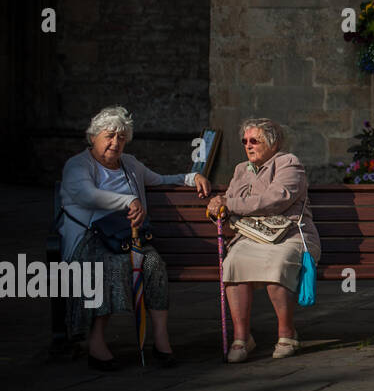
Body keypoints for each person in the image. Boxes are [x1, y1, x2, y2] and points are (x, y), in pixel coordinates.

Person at [59, 106, 212, 370]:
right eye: (109, 136)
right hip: (89, 240)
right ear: (93, 137)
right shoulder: (77, 165)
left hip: (127, 237)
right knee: (112, 265)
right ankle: (96, 342)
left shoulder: (130, 164)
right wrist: (128, 200)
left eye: (121, 137)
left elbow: (161, 179)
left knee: (153, 264)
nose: (115, 142)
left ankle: (161, 339)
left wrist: (192, 176)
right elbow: (87, 195)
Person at [205, 118, 320, 362]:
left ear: (273, 142)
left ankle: (287, 333)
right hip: (252, 235)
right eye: (245, 141)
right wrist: (219, 205)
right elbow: (232, 198)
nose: (248, 145)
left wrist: (231, 203)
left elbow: (275, 200)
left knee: (277, 263)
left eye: (254, 140)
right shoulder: (241, 169)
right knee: (233, 263)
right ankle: (242, 337)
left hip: (289, 235)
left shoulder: (288, 163)